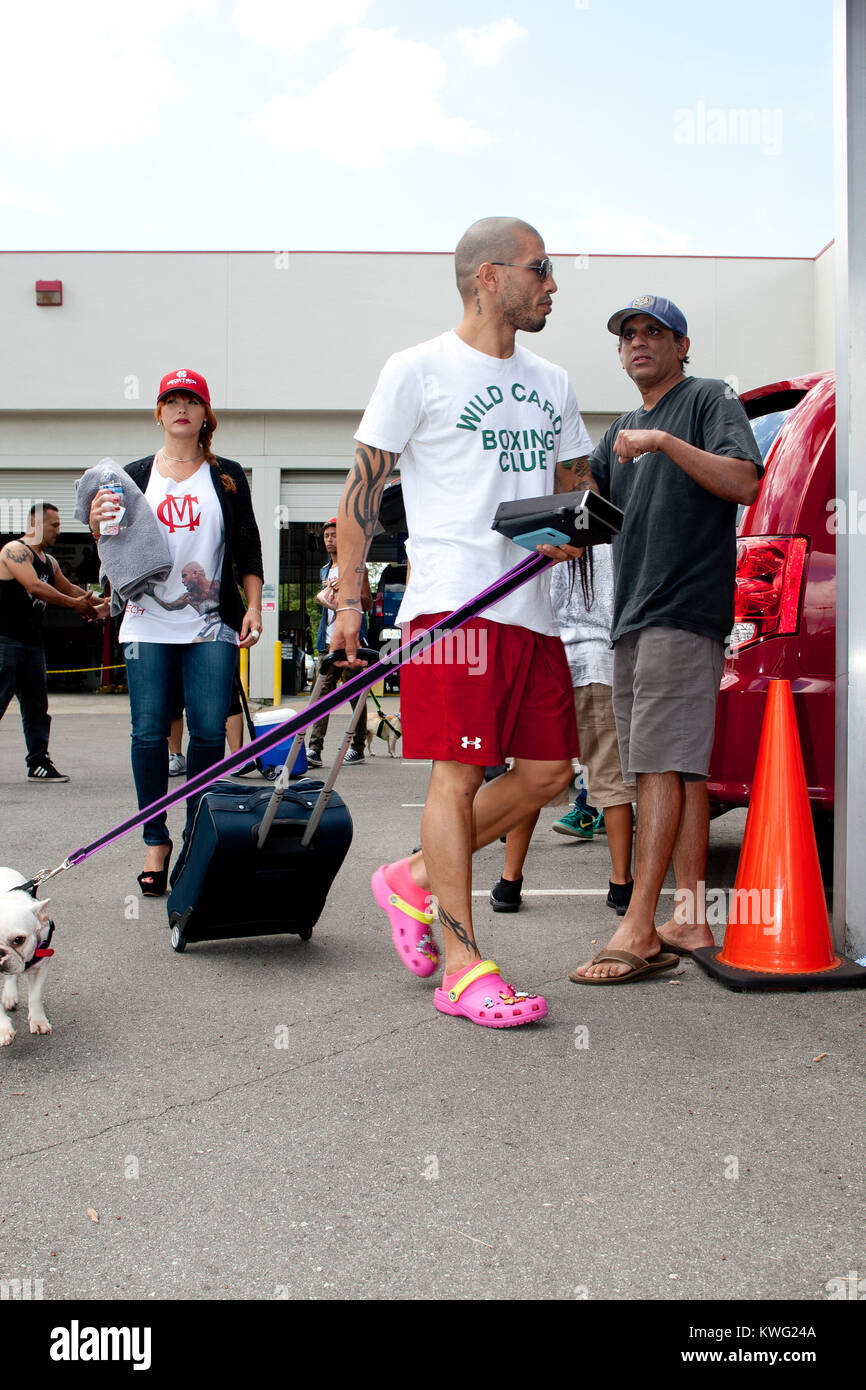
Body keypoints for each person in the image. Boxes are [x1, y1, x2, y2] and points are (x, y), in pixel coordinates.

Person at [330, 216, 592, 1028]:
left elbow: (576, 488)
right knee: (459, 776)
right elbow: (359, 494)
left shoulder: (554, 382)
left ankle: (411, 876)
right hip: (453, 603)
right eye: (539, 269)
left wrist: (574, 535)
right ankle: (460, 961)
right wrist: (346, 600)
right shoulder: (417, 370)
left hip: (533, 608)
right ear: (488, 275)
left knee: (550, 774)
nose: (552, 284)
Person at [569, 295, 764, 983]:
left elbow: (744, 482)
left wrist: (662, 443)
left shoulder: (708, 400)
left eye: (655, 332)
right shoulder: (620, 428)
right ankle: (690, 918)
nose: (639, 342)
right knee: (675, 768)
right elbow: (587, 513)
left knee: (655, 763)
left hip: (685, 611)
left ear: (683, 346)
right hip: (632, 618)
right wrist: (547, 531)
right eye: (628, 335)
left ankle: (640, 926)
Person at [87, 370, 264, 895]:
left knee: (210, 732)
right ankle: (155, 838)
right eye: (171, 399)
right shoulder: (135, 474)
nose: (181, 407)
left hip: (211, 623)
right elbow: (110, 543)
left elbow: (248, 548)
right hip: (146, 620)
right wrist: (96, 521)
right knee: (148, 734)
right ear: (158, 412)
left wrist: (253, 606)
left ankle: (196, 833)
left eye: (192, 399)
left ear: (206, 414)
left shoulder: (227, 476)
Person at [490, 546, 637, 914]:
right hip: (603, 663)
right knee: (612, 781)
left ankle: (510, 882)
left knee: (529, 777)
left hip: (549, 664)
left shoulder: (550, 538)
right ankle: (621, 886)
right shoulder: (616, 536)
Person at [0, 503, 107, 782]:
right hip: (5, 642)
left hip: (32, 644)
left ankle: (39, 763)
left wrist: (104, 604)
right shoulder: (14, 551)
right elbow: (34, 586)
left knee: (37, 707)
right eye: (54, 525)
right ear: (35, 525)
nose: (59, 531)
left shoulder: (50, 561)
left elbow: (70, 589)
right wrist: (75, 604)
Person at [306, 518, 371, 767]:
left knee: (355, 694)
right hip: (328, 641)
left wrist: (346, 590)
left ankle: (356, 748)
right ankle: (315, 749)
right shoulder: (325, 570)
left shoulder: (356, 566)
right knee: (321, 696)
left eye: (334, 535)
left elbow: (366, 601)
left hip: (352, 641)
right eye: (326, 536)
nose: (330, 539)